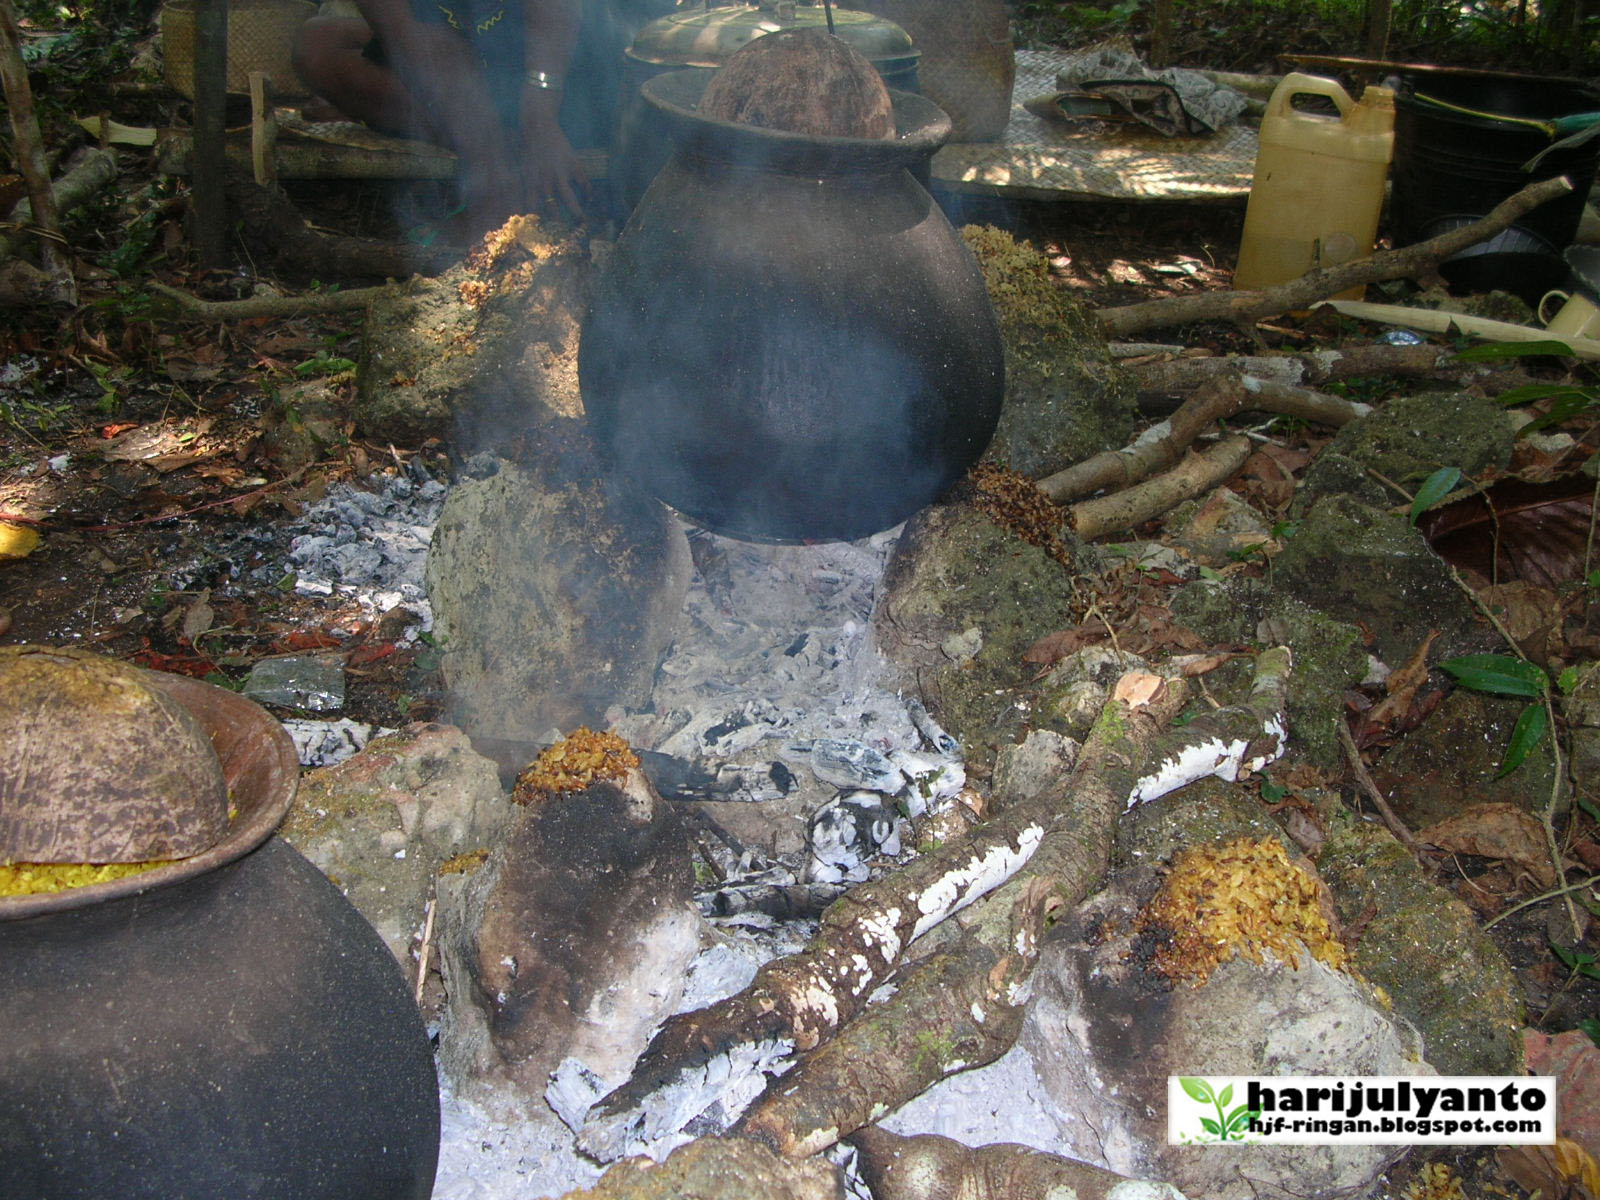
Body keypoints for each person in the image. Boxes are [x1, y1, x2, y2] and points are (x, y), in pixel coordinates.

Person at [292, 0, 664, 228]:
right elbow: (418, 40)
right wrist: (487, 162)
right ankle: (503, 145)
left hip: (564, 57)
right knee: (317, 46)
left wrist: (540, 119)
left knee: (612, 89)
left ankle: (529, 141)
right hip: (466, 68)